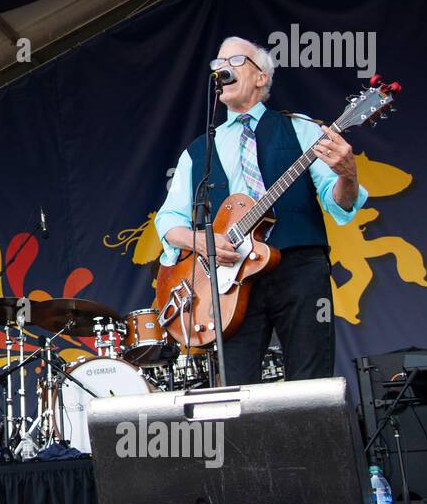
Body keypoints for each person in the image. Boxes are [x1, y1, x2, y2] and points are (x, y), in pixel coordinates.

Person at [154, 37, 368, 385]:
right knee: (238, 392)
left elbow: (339, 202)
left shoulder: (301, 129)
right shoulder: (198, 151)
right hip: (229, 283)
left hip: (297, 266)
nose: (222, 68)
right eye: (217, 64)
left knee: (309, 385)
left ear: (261, 77)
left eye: (235, 60)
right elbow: (168, 220)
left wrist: (348, 174)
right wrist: (200, 241)